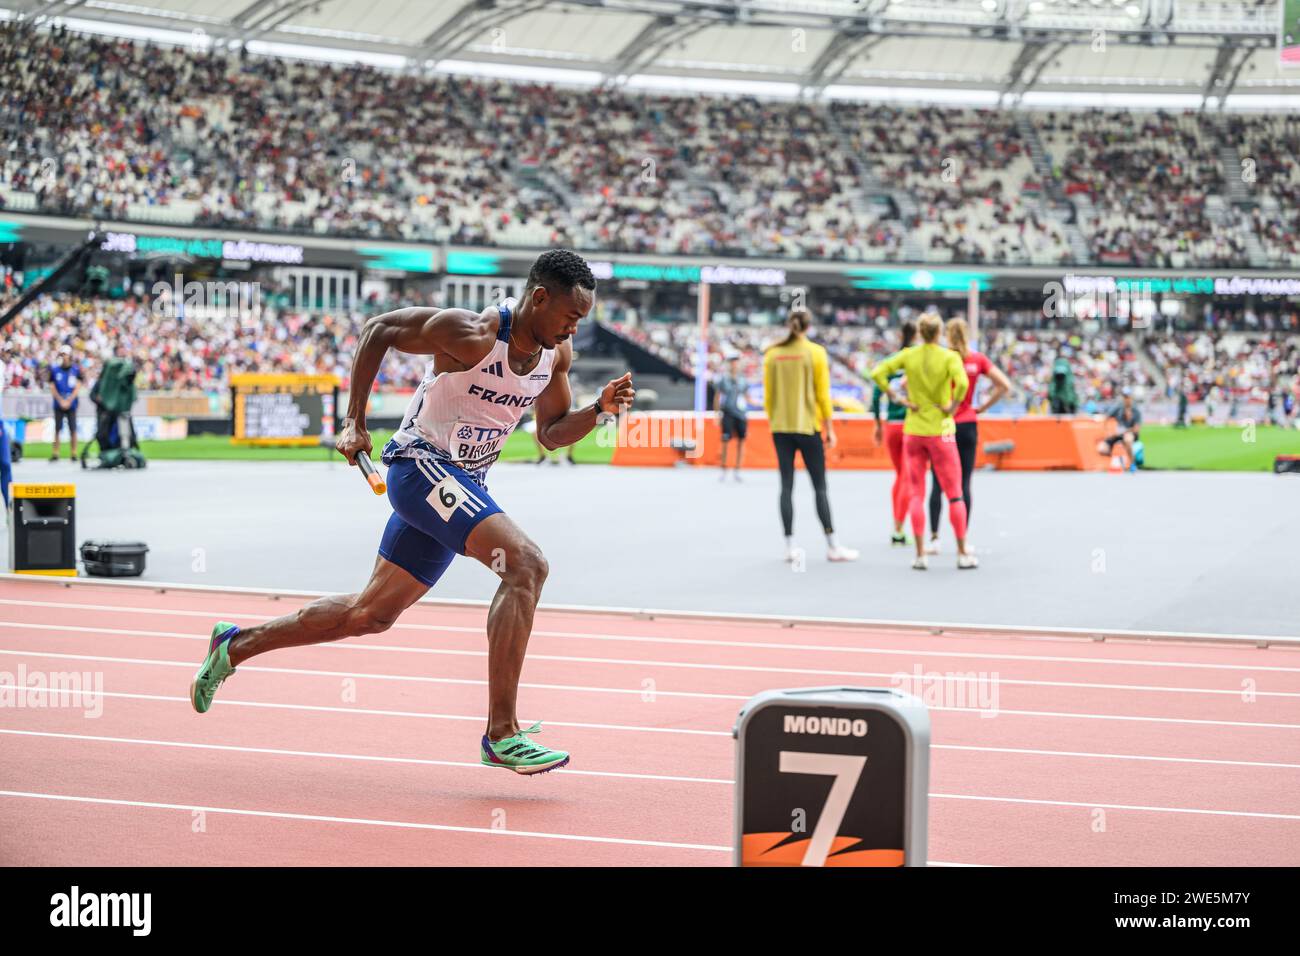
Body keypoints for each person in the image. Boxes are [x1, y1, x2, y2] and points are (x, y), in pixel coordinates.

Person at [188, 250, 635, 776]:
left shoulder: (555, 356)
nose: (574, 329)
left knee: (370, 614)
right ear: (539, 297)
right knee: (526, 565)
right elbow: (379, 330)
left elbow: (552, 433)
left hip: (460, 483)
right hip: (418, 465)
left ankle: (234, 645)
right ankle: (502, 733)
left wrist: (598, 410)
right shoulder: (471, 333)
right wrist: (354, 421)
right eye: (570, 316)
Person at [871, 312, 977, 570]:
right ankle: (962, 553)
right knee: (954, 494)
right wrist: (952, 407)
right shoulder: (949, 357)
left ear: (920, 332)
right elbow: (962, 384)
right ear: (940, 333)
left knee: (917, 492)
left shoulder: (910, 355)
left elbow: (877, 373)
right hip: (941, 429)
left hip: (914, 429)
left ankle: (920, 555)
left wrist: (898, 398)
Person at [763, 309, 858, 563]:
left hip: (781, 427)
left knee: (786, 487)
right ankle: (832, 545)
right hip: (808, 426)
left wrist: (776, 421)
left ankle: (789, 546)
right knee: (819, 487)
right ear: (808, 326)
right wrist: (830, 428)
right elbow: (823, 395)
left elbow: (769, 397)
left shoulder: (773, 354)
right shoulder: (815, 352)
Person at [925, 318, 1011, 552]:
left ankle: (933, 538)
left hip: (944, 424)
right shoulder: (977, 359)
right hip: (968, 425)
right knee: (964, 483)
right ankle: (962, 538)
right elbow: (1005, 385)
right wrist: (981, 407)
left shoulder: (942, 358)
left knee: (937, 483)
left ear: (947, 336)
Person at [871, 319, 917, 546]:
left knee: (900, 475)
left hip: (891, 426)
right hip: (911, 425)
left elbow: (875, 395)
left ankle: (897, 524)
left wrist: (878, 425)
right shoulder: (916, 361)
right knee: (908, 478)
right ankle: (898, 529)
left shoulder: (890, 363)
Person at [714, 354, 749, 481]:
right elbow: (717, 396)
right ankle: (723, 468)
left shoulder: (743, 379)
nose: (735, 365)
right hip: (728, 413)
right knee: (725, 441)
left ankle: (738, 469)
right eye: (732, 362)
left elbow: (746, 396)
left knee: (741, 441)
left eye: (737, 362)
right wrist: (717, 414)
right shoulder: (723, 379)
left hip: (741, 414)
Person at [48, 345, 81, 462]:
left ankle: (74, 453)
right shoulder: (55, 370)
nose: (64, 357)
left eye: (65, 354)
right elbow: (52, 386)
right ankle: (55, 452)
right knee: (57, 429)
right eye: (62, 355)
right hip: (59, 403)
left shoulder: (75, 370)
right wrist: (60, 400)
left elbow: (78, 386)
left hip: (71, 403)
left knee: (73, 429)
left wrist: (69, 400)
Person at [1098, 388, 1142, 471]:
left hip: (1129, 433)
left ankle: (1132, 464)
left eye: (1127, 397)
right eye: (1124, 397)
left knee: (1127, 439)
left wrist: (1125, 431)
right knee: (1101, 449)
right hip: (1118, 434)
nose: (1126, 399)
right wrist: (1108, 432)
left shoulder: (1135, 410)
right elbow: (1106, 418)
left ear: (1131, 397)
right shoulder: (1118, 408)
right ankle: (1117, 458)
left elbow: (1136, 429)